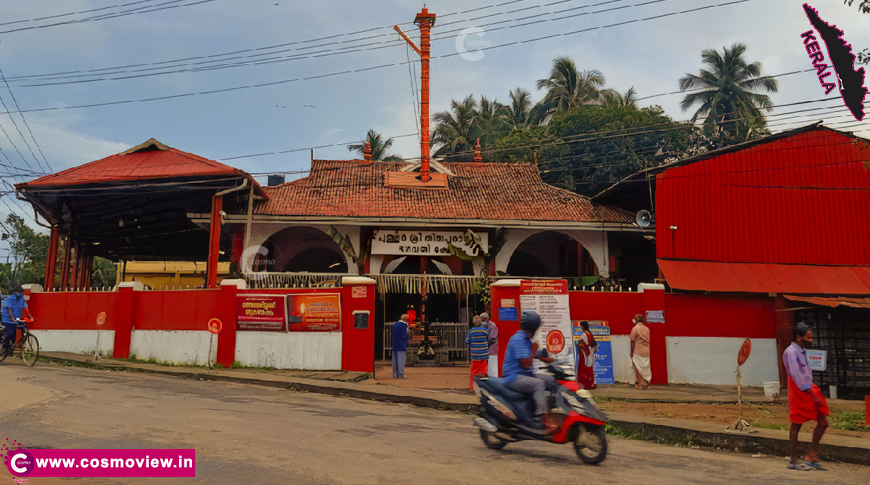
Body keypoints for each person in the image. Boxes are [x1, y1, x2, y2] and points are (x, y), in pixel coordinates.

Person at [502, 311, 560, 433]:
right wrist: (534, 351)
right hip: (514, 377)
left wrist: (555, 362)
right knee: (538, 384)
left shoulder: (525, 339)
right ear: (534, 327)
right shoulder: (519, 340)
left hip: (525, 375)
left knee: (552, 381)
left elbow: (537, 355)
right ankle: (543, 418)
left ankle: (551, 409)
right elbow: (526, 363)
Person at [784, 323, 829, 471]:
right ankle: (793, 460)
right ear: (799, 337)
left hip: (808, 387)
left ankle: (811, 455)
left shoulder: (800, 350)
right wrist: (810, 393)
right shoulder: (791, 353)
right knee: (796, 423)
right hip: (800, 390)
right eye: (808, 337)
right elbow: (796, 375)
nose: (811, 340)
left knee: (823, 420)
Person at [2, 286, 33, 353]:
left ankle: (13, 346)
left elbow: (26, 307)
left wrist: (30, 316)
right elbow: (9, 308)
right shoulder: (9, 298)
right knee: (10, 333)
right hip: (7, 318)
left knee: (16, 334)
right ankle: (5, 346)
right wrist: (11, 317)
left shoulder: (22, 299)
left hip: (16, 318)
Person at [465, 316, 489, 391]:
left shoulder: (471, 332)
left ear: (473, 322)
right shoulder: (485, 331)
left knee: (474, 372)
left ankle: (473, 387)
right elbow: (489, 339)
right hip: (484, 355)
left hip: (475, 355)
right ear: (480, 322)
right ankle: (483, 388)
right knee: (483, 371)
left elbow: (467, 341)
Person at [629, 313, 651, 389]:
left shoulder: (635, 329)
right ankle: (647, 384)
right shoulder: (647, 329)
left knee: (638, 367)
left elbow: (632, 341)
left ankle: (639, 384)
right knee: (646, 368)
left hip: (638, 350)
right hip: (646, 350)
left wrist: (631, 353)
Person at [575, 321, 598, 390]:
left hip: (585, 353)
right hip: (590, 352)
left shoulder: (584, 334)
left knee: (583, 369)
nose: (581, 327)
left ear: (583, 327)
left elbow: (582, 345)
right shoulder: (590, 334)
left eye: (581, 326)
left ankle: (584, 384)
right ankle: (590, 383)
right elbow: (595, 345)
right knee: (589, 369)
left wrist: (579, 344)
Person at [391, 314, 410, 379]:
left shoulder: (395, 324)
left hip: (395, 343)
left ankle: (395, 374)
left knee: (395, 360)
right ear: (406, 319)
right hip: (401, 344)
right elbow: (405, 334)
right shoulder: (405, 325)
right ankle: (400, 374)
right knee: (401, 360)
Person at [482, 312, 499, 378]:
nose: (482, 321)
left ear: (487, 319)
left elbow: (492, 338)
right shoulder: (482, 325)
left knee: (493, 369)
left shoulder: (493, 326)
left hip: (492, 350)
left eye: (484, 319)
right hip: (485, 350)